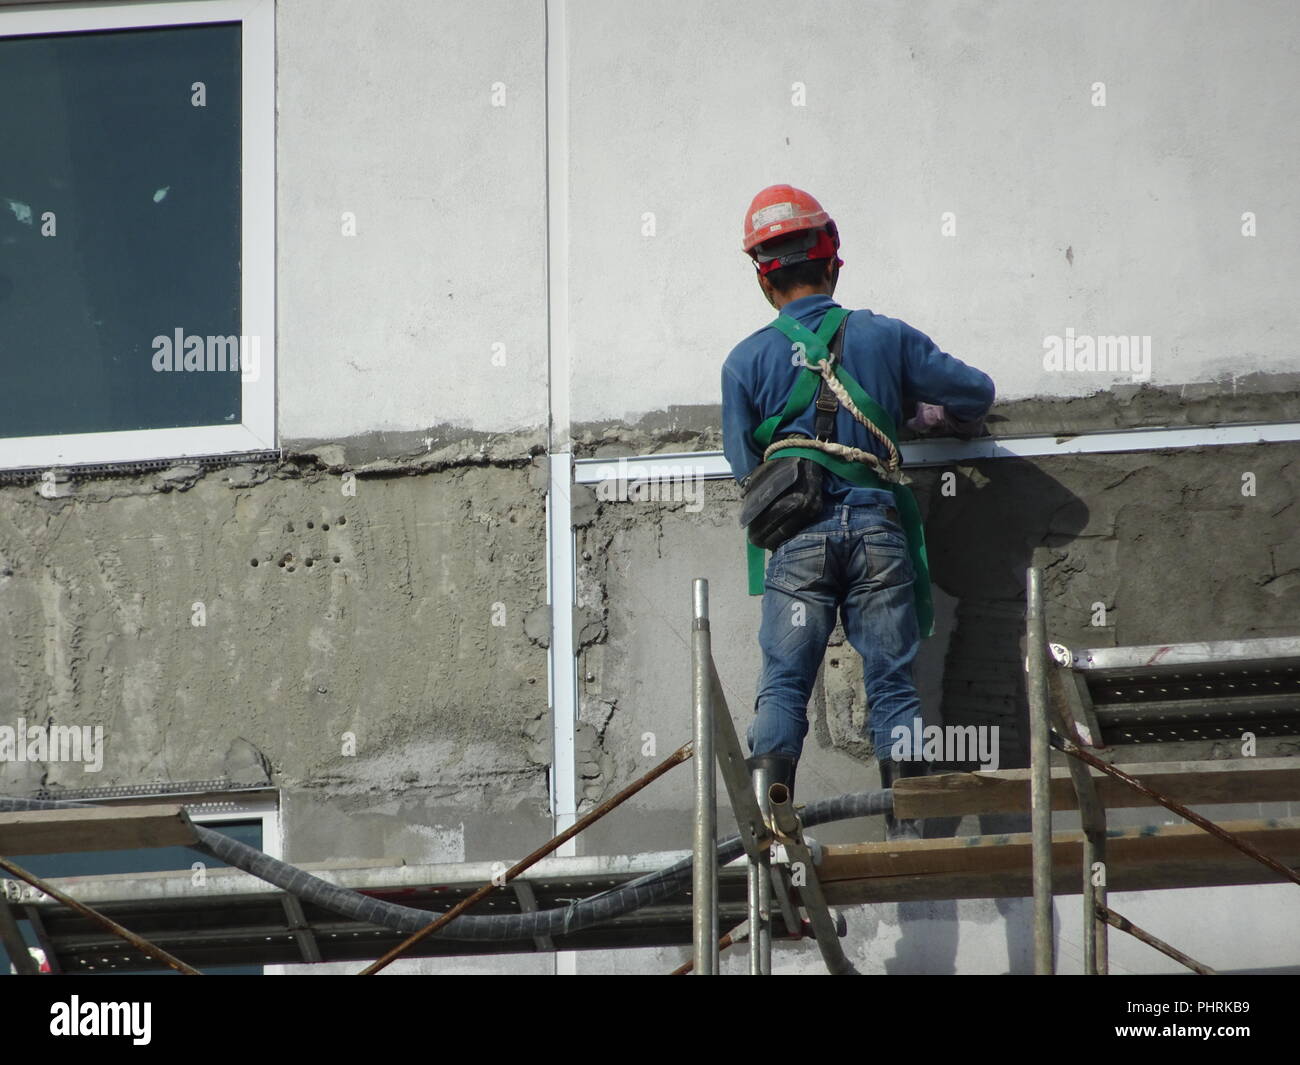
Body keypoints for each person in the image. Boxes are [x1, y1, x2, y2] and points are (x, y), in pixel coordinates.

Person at [721, 185, 995, 839]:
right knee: (893, 684)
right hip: (877, 528)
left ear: (764, 281)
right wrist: (921, 412)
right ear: (832, 261)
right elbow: (976, 393)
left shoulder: (744, 361)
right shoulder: (883, 336)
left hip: (798, 539)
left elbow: (744, 466)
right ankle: (911, 830)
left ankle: (771, 833)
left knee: (785, 682)